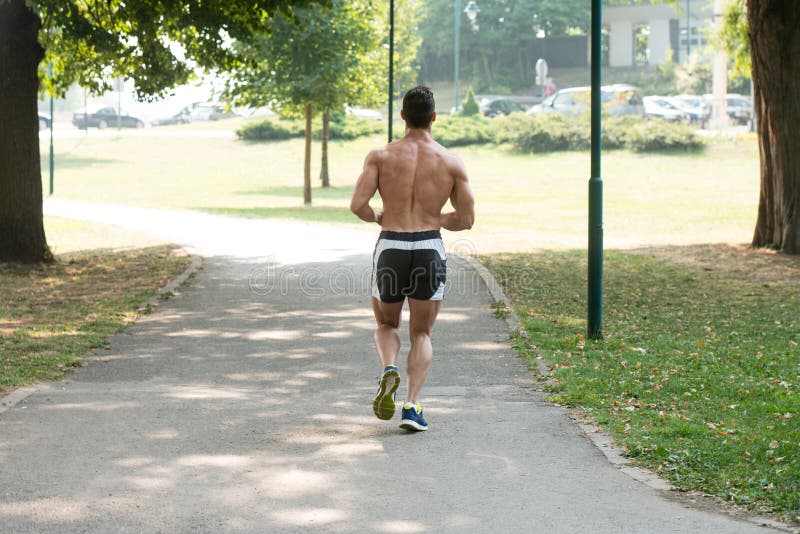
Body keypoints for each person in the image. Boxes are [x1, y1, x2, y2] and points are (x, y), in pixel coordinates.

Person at [349, 86, 475, 432]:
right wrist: (436, 219)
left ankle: (388, 367)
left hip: (391, 244)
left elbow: (358, 206)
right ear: (434, 117)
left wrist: (379, 216)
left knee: (387, 324)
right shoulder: (451, 162)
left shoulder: (380, 156)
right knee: (422, 332)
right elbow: (465, 220)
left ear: (402, 116)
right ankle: (412, 404)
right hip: (428, 246)